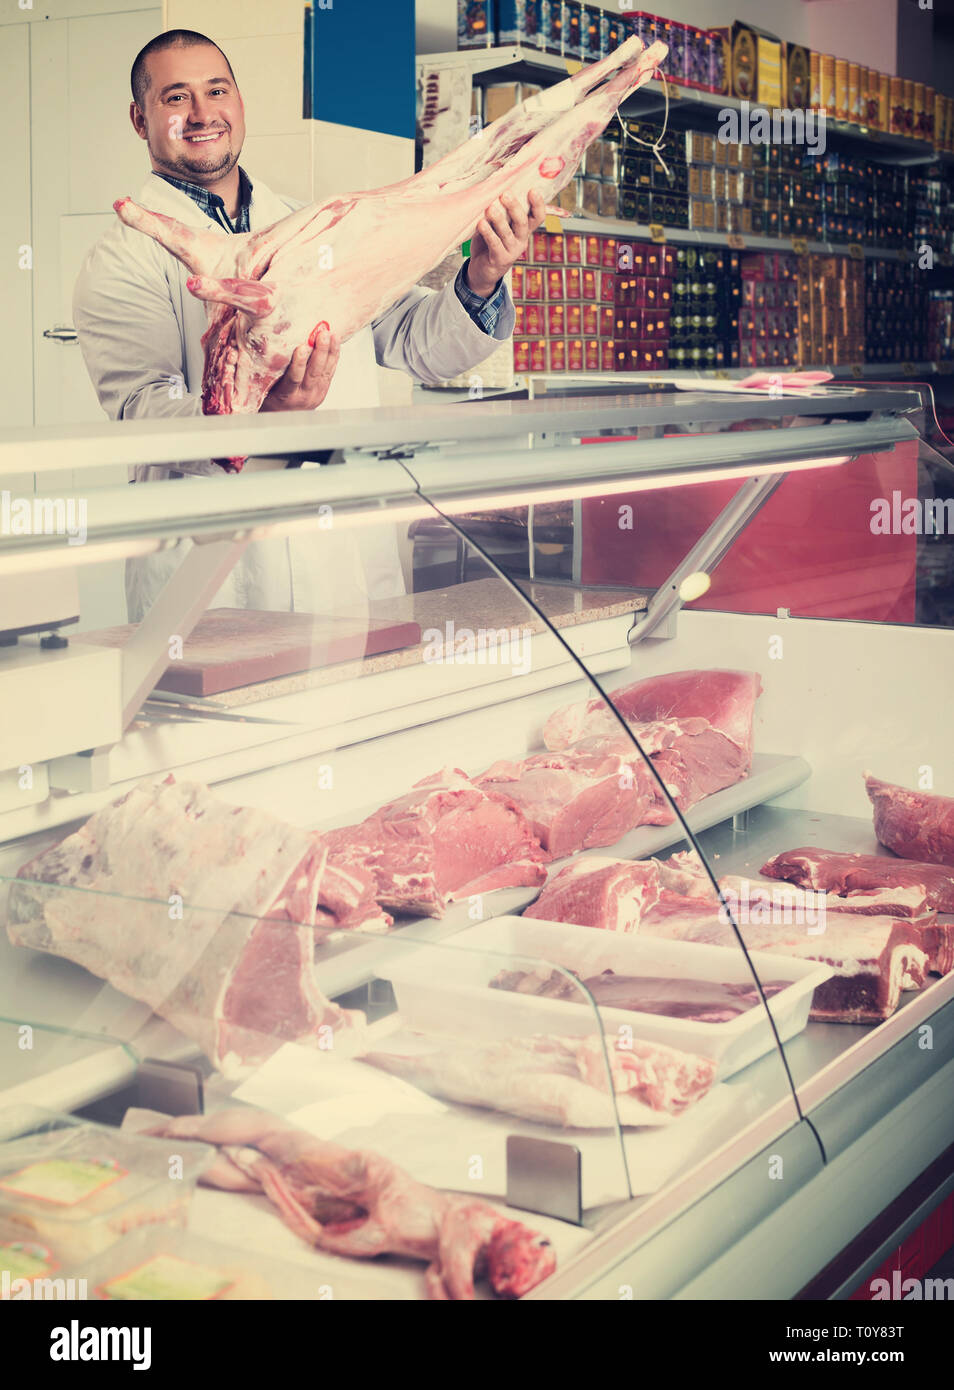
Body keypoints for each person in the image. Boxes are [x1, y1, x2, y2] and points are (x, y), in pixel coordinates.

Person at [73, 28, 544, 621]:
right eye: (175, 98)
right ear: (140, 120)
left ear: (239, 104)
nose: (202, 113)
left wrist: (480, 280)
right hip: (218, 567)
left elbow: (419, 344)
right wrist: (265, 419)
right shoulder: (121, 258)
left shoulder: (312, 223)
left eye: (216, 90)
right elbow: (142, 413)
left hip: (337, 547)